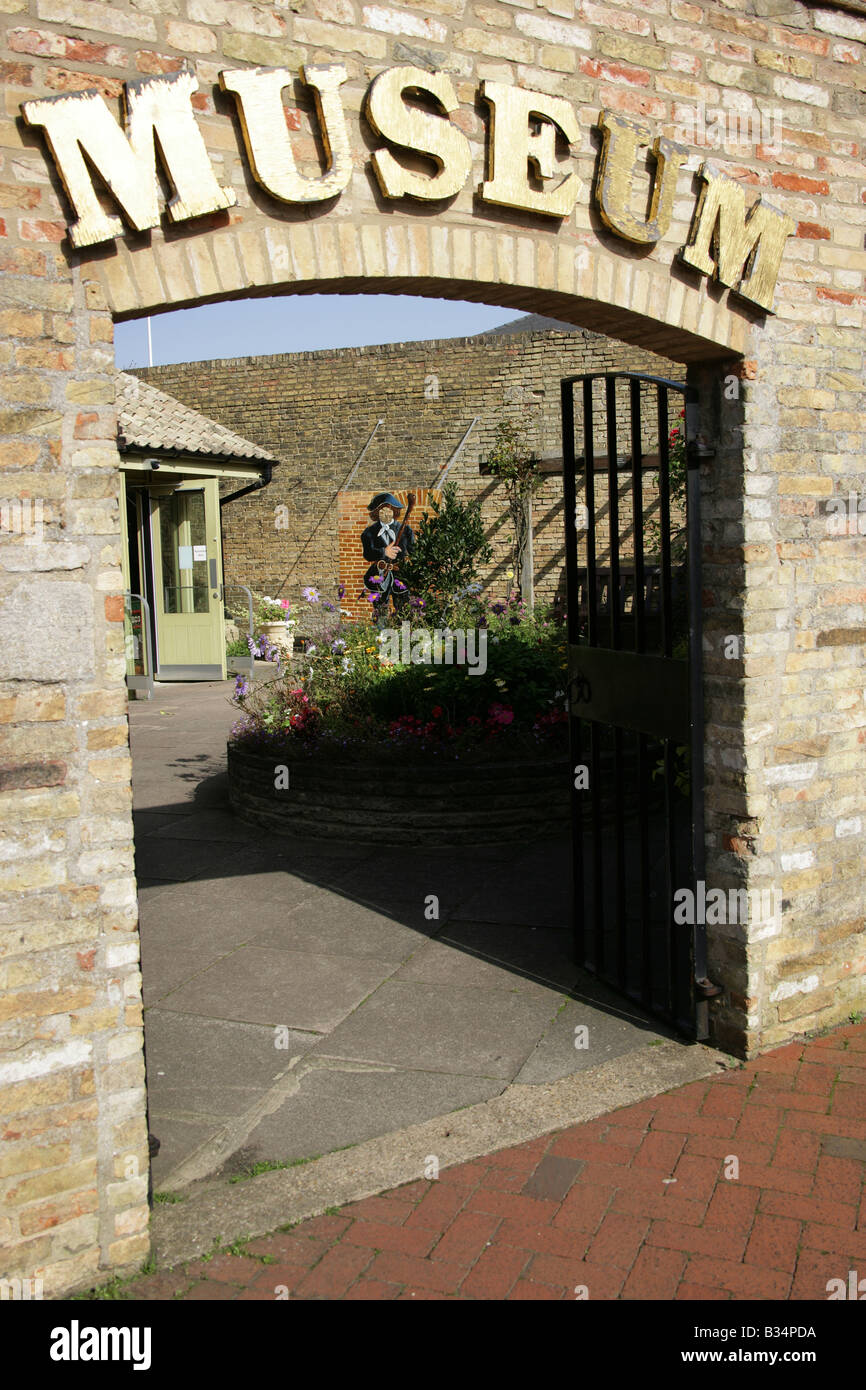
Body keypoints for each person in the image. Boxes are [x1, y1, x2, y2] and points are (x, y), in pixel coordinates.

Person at [361, 492, 414, 618]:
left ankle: (405, 635)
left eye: (389, 509)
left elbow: (414, 551)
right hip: (378, 575)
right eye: (382, 509)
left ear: (394, 511)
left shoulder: (405, 530)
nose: (386, 513)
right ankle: (381, 635)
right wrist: (384, 552)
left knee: (403, 612)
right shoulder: (368, 533)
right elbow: (367, 554)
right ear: (376, 512)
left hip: (400, 575)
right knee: (380, 612)